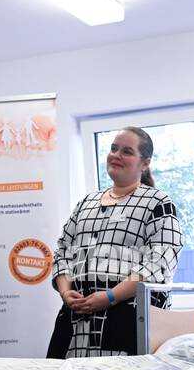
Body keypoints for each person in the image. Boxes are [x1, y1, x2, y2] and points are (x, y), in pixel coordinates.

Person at [49, 126, 183, 357]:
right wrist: (65, 292)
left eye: (127, 151)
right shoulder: (85, 204)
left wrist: (110, 297)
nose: (116, 155)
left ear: (144, 163)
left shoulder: (158, 203)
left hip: (127, 319)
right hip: (74, 321)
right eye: (113, 149)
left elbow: (160, 262)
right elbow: (62, 252)